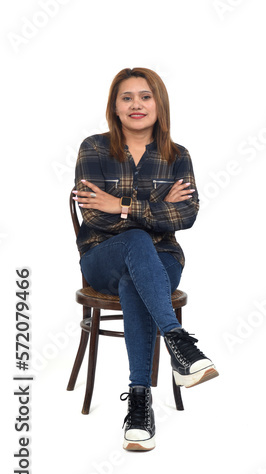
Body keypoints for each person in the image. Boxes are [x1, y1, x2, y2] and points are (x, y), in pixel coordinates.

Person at [73, 68, 218, 451]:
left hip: (164, 258)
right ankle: (179, 342)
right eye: (127, 97)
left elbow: (187, 216)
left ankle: (140, 401)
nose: (136, 104)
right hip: (100, 258)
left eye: (145, 96)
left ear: (159, 103)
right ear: (115, 107)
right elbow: (95, 216)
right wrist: (152, 208)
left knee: (134, 280)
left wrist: (120, 204)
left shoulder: (177, 156)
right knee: (137, 238)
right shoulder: (94, 148)